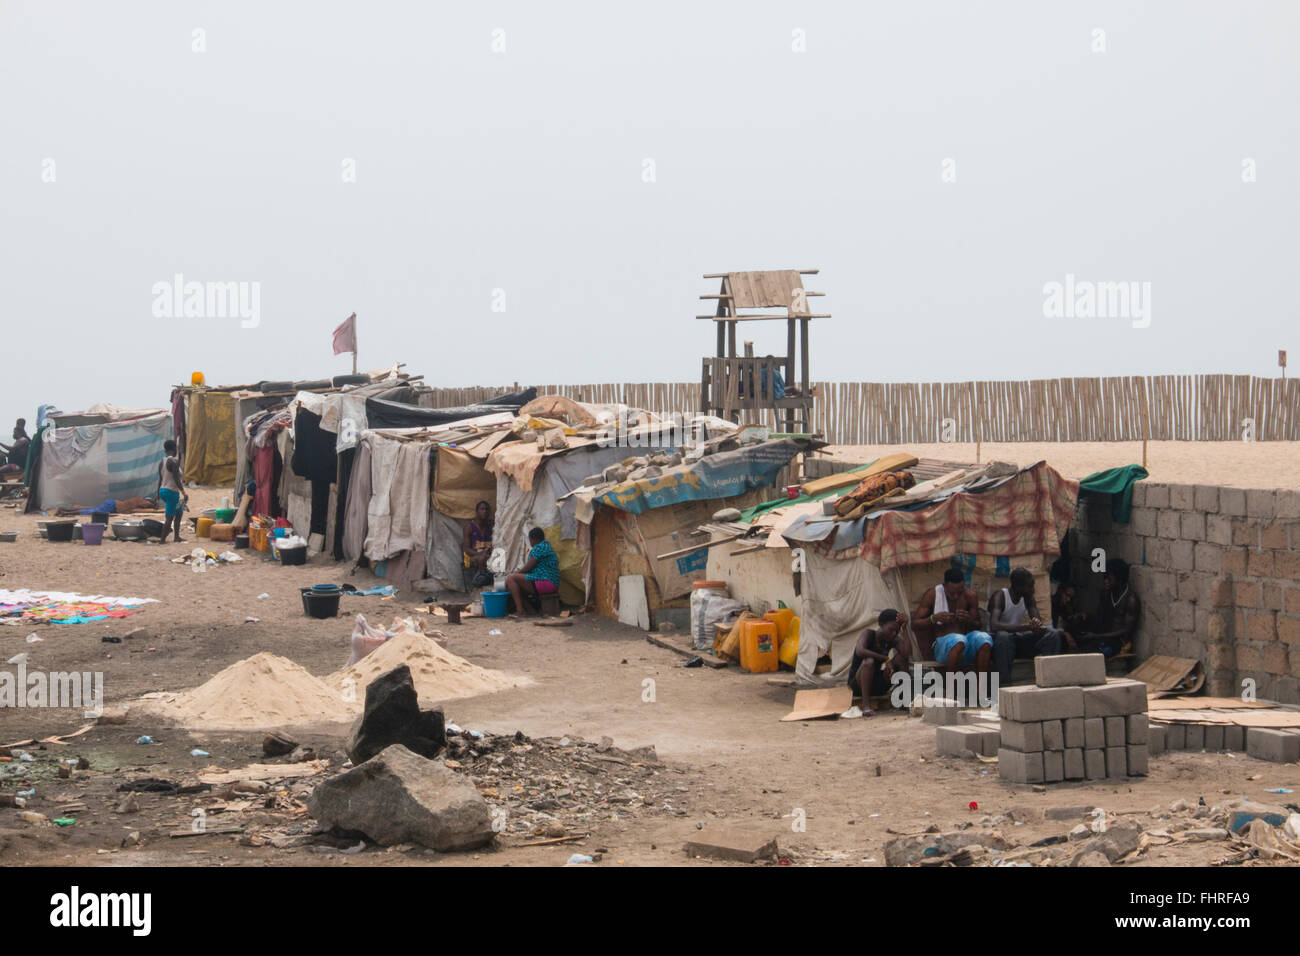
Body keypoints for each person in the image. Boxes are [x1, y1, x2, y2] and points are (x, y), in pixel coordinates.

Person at [989, 567, 1064, 686]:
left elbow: (1037, 623)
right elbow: (994, 625)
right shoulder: (1000, 596)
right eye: (1030, 586)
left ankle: (1049, 679)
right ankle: (1005, 683)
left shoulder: (1028, 598)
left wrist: (1038, 627)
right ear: (1018, 586)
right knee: (1003, 636)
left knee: (1052, 634)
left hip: (1017, 642)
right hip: (1000, 646)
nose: (1033, 590)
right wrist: (1026, 627)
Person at [914, 567, 992, 679]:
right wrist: (934, 618)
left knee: (984, 638)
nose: (955, 596)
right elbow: (915, 624)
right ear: (944, 586)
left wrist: (968, 619)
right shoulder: (933, 595)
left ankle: (981, 687)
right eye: (952, 593)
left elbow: (978, 625)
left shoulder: (970, 596)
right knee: (958, 640)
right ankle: (951, 687)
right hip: (943, 648)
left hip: (966, 646)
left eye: (959, 592)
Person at [1072, 558, 1140, 657]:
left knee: (1097, 651)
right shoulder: (1106, 594)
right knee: (1077, 626)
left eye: (1109, 579)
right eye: (1105, 578)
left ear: (1119, 579)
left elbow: (1126, 631)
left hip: (1117, 642)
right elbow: (1099, 618)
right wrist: (1085, 617)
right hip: (1102, 635)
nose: (1105, 581)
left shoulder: (1131, 600)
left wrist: (1096, 636)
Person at [847, 609, 909, 716]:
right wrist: (885, 659)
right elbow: (860, 650)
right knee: (869, 662)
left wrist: (905, 628)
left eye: (897, 631)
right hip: (858, 686)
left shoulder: (893, 639)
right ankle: (866, 706)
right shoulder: (869, 634)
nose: (894, 633)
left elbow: (907, 654)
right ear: (881, 624)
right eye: (891, 629)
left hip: (877, 684)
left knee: (901, 659)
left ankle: (903, 701)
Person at [505, 527, 559, 617]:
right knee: (516, 587)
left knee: (510, 579)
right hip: (551, 582)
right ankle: (531, 611)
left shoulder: (539, 548)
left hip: (545, 582)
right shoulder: (546, 546)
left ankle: (520, 611)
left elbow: (528, 568)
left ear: (532, 539)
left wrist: (516, 573)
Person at [155, 439, 188, 543]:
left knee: (179, 512)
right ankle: (162, 540)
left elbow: (160, 479)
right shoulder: (173, 461)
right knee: (169, 517)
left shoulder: (162, 462)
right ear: (174, 449)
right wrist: (184, 492)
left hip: (163, 490)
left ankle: (176, 537)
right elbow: (176, 478)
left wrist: (157, 495)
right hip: (171, 492)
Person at [462, 500, 495, 589]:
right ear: (477, 511)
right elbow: (466, 549)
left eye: (487, 509)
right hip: (473, 556)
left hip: (487, 554)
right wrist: (480, 553)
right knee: (482, 559)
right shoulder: (469, 527)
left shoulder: (491, 525)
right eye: (482, 509)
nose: (485, 511)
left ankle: (493, 582)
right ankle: (480, 584)